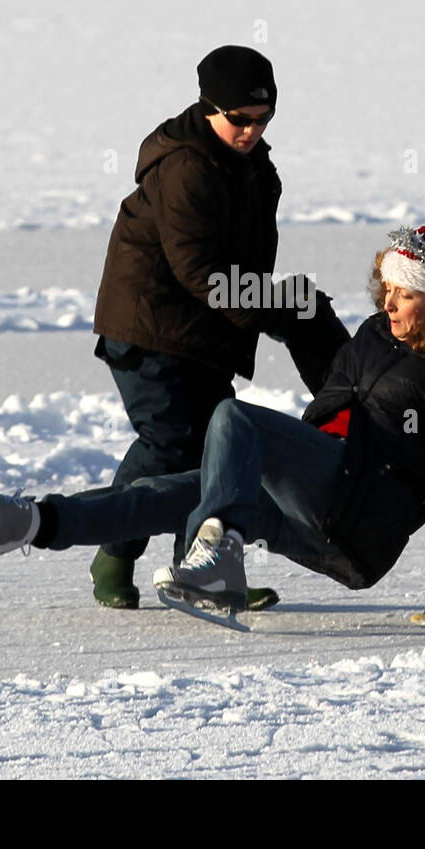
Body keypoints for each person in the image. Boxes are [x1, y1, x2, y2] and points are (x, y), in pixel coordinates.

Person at [0, 211, 425, 626]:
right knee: (164, 494)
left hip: (359, 518)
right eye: (385, 289)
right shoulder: (375, 335)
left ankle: (218, 560)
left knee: (235, 418)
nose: (387, 304)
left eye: (404, 295)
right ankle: (24, 523)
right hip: (316, 507)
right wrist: (297, 314)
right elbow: (337, 386)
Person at [85, 44, 347, 611]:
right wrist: (275, 306)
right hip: (149, 329)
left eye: (263, 119)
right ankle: (114, 552)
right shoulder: (185, 168)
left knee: (213, 448)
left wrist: (287, 306)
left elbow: (241, 268)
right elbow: (201, 273)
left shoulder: (252, 167)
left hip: (202, 333)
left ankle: (201, 566)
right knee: (170, 446)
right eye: (240, 119)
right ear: (210, 108)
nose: (252, 131)